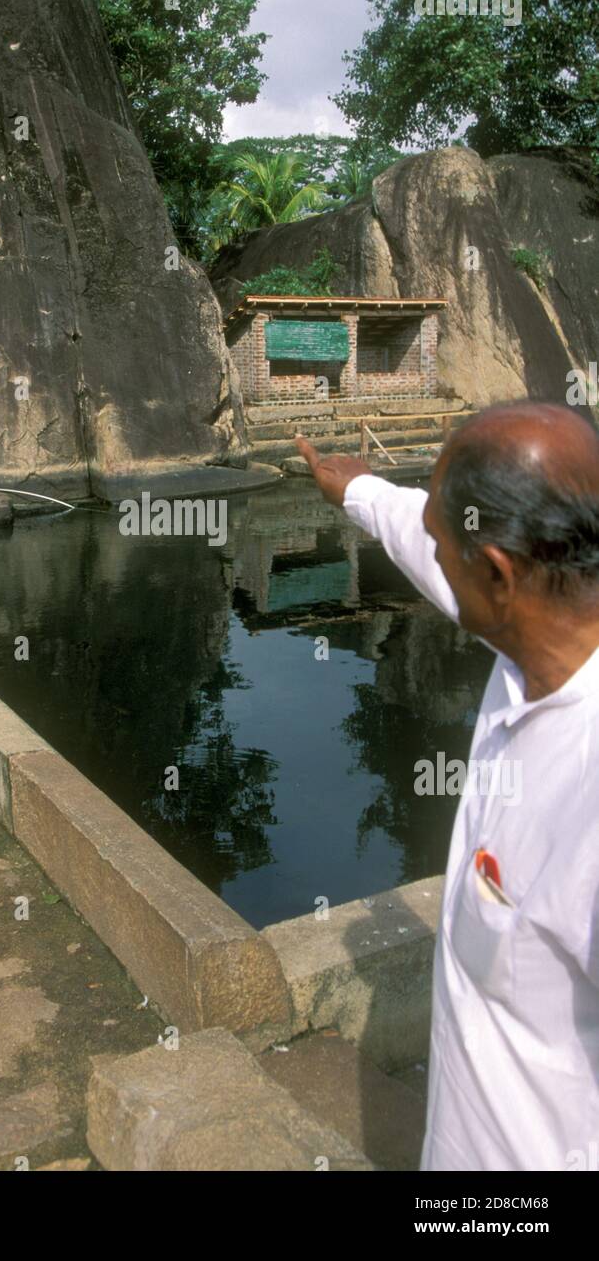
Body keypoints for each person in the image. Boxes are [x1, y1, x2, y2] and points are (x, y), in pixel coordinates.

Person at [295, 401, 599, 1172]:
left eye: (446, 545)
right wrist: (355, 488)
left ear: (496, 573)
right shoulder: (534, 630)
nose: (432, 557)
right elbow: (418, 534)